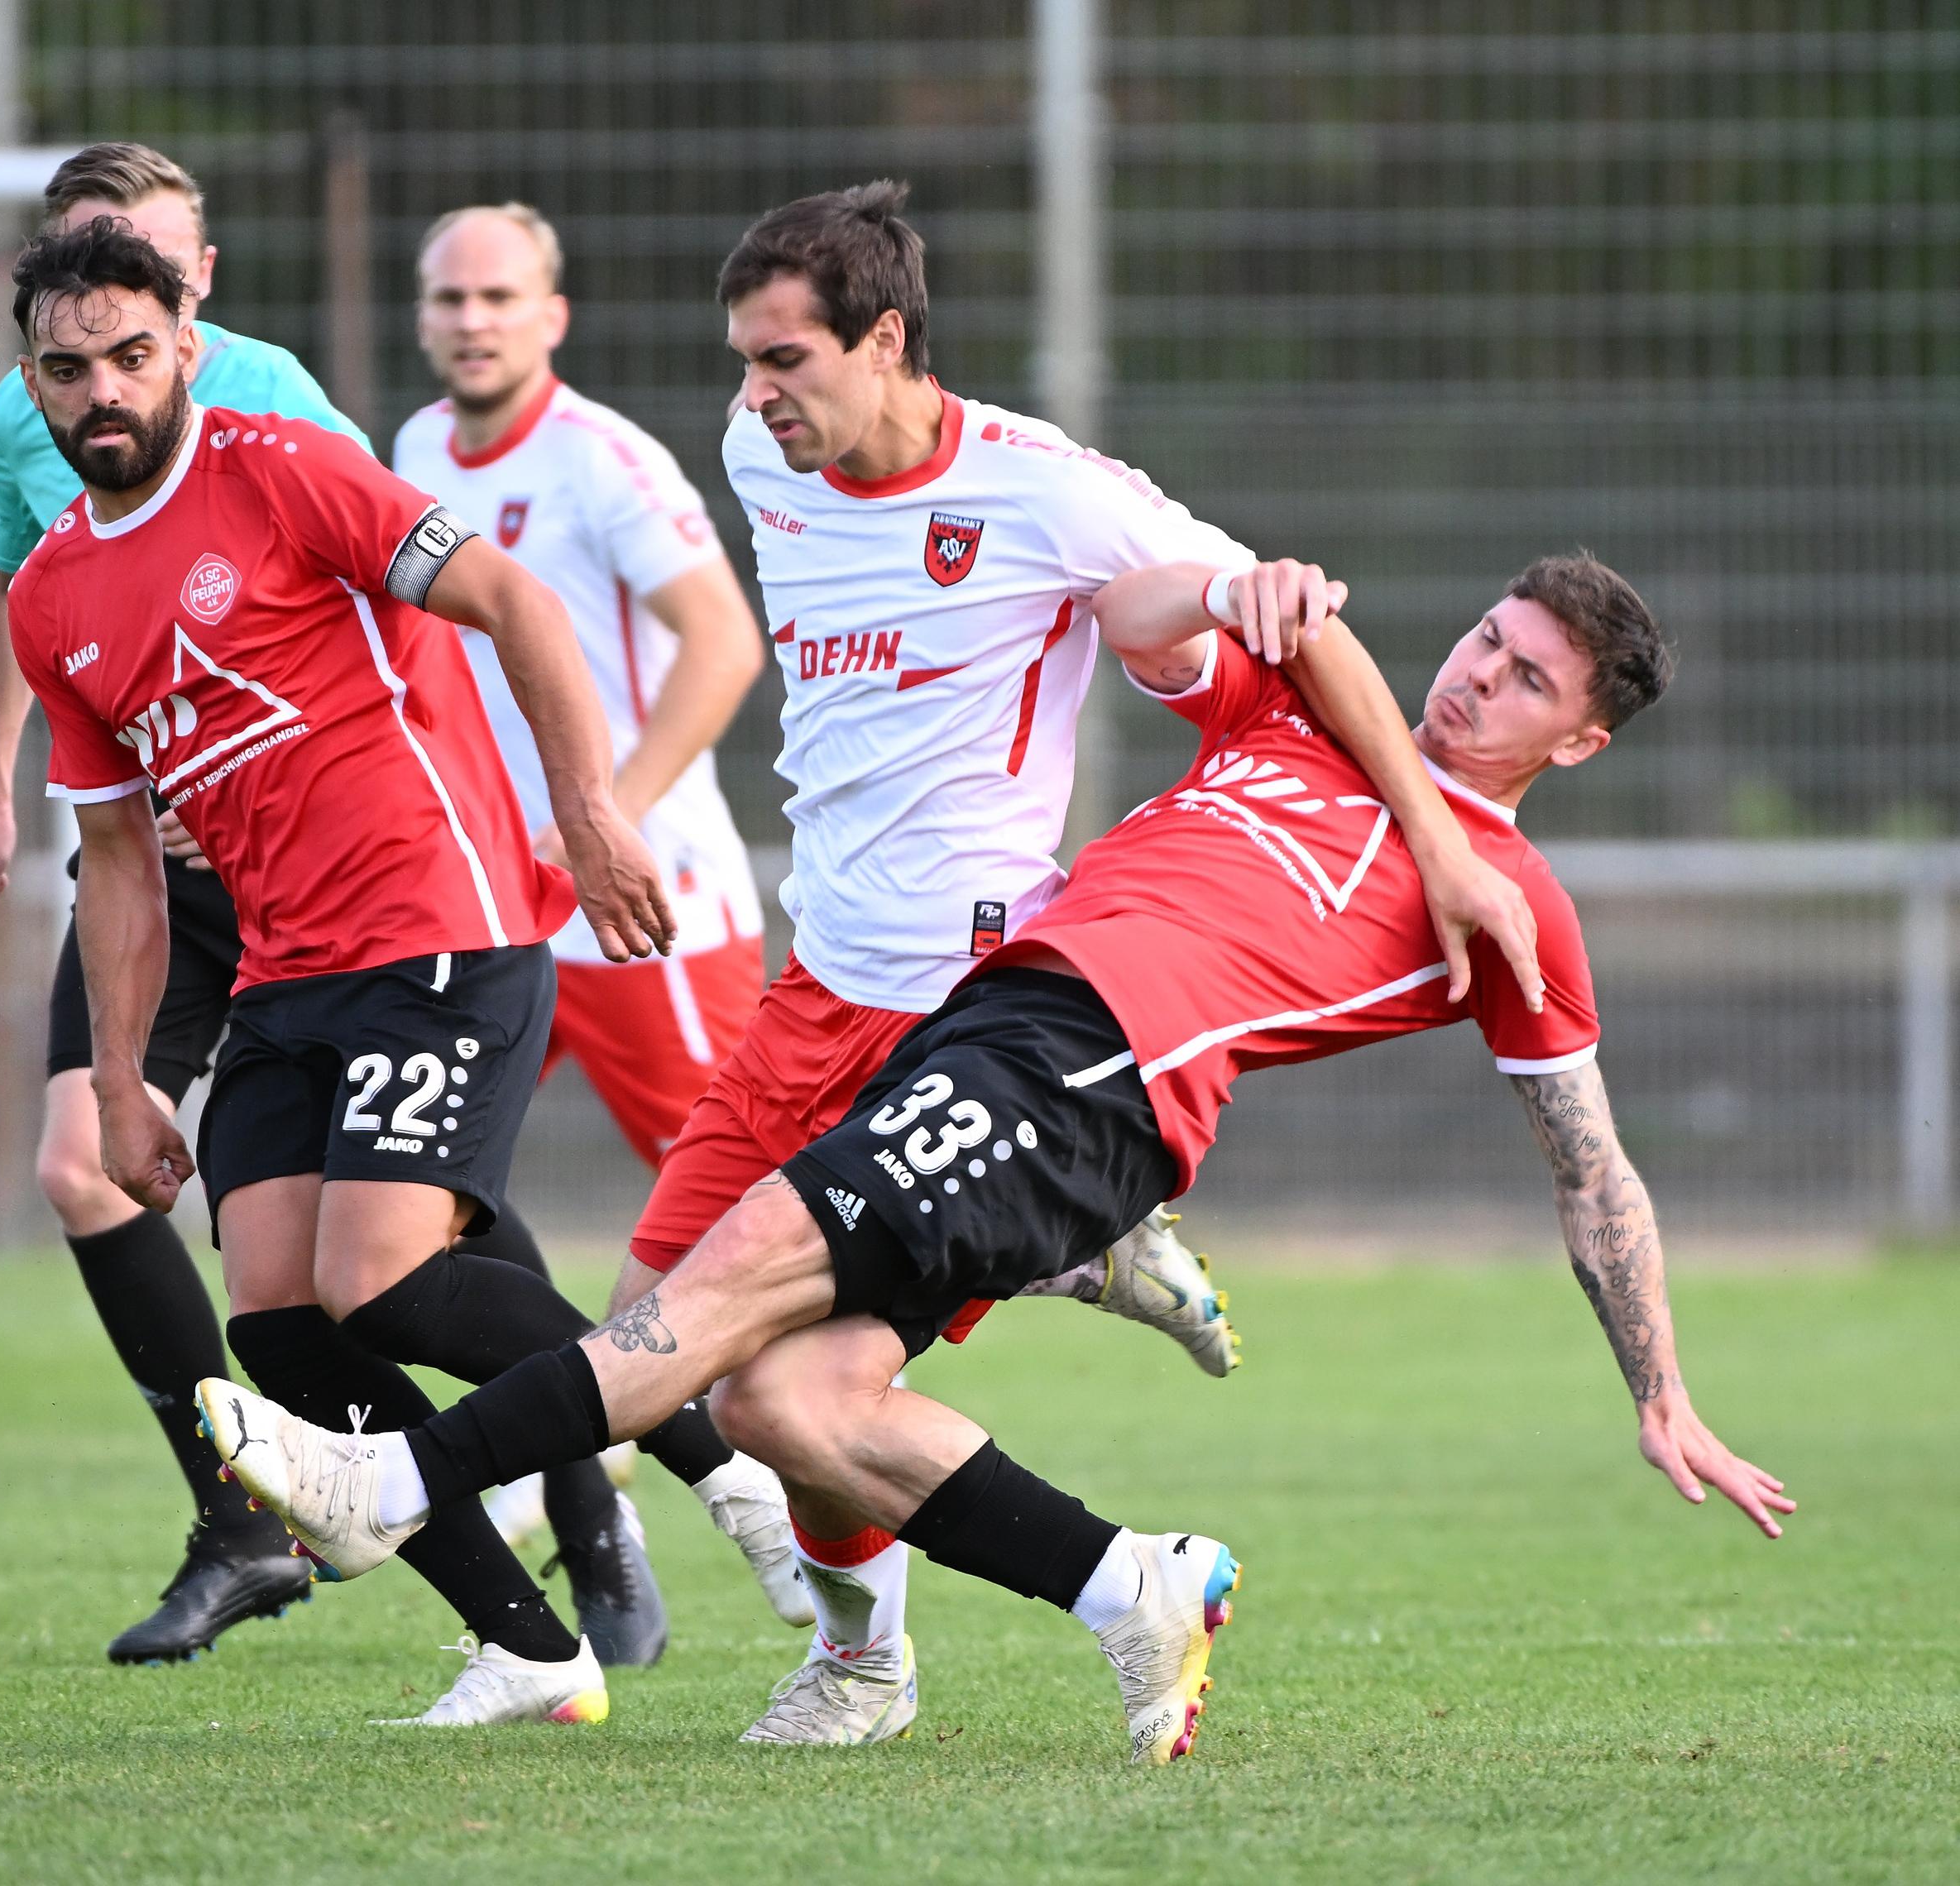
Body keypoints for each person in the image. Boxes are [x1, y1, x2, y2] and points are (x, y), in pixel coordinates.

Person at [203, 553, 1796, 1769]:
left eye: (1525, 685)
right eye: (1484, 644)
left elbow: (1591, 1166)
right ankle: (1129, 1587)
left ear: (1577, 743)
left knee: (727, 1279)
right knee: (786, 1401)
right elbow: (1133, 602)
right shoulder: (1308, 708)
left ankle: (390, 1485)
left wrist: (1661, 1392)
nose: (1475, 681)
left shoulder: (1515, 909)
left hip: (1097, 1069)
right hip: (1016, 1039)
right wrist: (1247, 585)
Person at [463, 180, 1461, 1727]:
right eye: (743, 359)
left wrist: (1430, 833)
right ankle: (1070, 1286)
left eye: (785, 358)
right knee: (660, 1347)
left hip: (965, 1023)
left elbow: (1253, 619)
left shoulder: (1046, 487)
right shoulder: (759, 454)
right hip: (815, 987)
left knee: (761, 1382)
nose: (754, 395)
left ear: (887, 338)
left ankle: (794, 1643)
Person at [3, 217, 779, 1726]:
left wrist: (594, 815)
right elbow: (118, 867)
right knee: (282, 1322)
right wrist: (115, 1078)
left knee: (384, 1278)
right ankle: (529, 1650)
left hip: (445, 923)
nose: (101, 390)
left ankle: (715, 1452)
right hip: (283, 972)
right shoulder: (53, 601)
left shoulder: (284, 467)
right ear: (33, 379)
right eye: (66, 367)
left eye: (128, 356)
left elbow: (519, 605)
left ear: (182, 348)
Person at [0, 141, 400, 1666]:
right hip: (144, 856)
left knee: (388, 1234)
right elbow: (29, 600)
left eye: (139, 269)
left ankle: (598, 1512)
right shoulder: (26, 419)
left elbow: (386, 579)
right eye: (79, 270)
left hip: (301, 860)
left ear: (191, 290)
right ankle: (240, 1516)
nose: (98, 367)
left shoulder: (271, 395)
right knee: (85, 1165)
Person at [393, 202, 803, 1646]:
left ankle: (825, 1528)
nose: (472, 319)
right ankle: (592, 1499)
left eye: (500, 295)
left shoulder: (606, 458)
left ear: (551, 315)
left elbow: (725, 640)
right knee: (435, 1218)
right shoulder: (414, 456)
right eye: (449, 297)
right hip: (491, 912)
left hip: (650, 919)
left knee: (763, 1235)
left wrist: (600, 819)